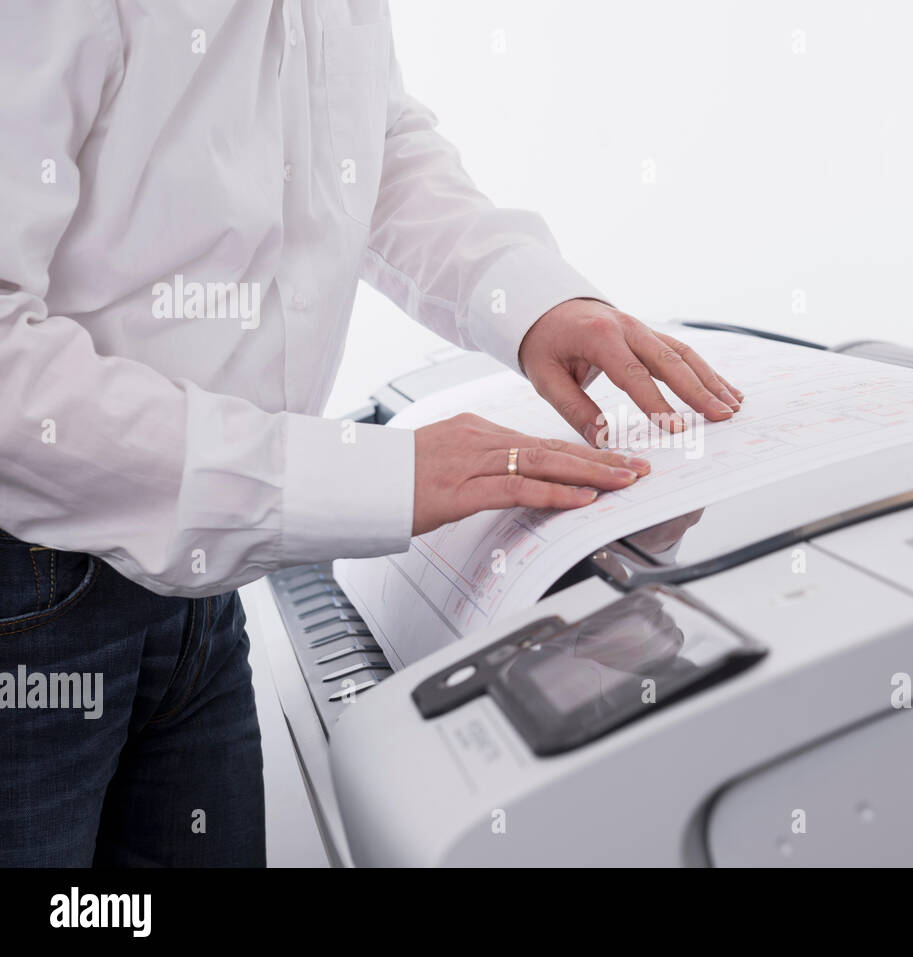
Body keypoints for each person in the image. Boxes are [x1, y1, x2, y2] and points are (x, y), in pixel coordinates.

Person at [0, 0, 742, 867]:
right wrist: (362, 481)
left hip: (202, 586)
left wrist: (531, 297)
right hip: (31, 593)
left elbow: (370, 147)